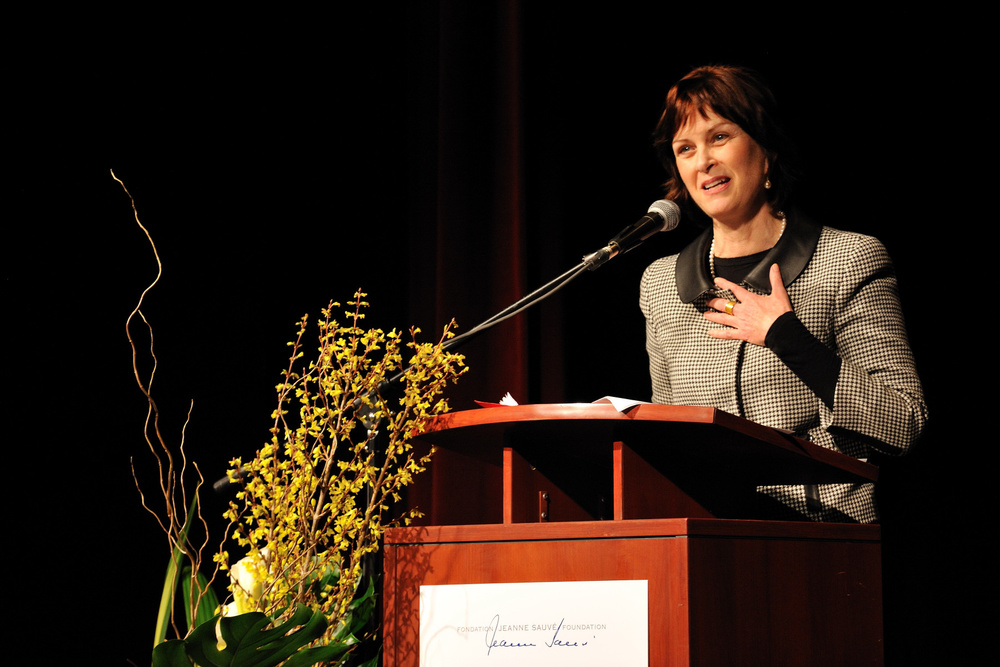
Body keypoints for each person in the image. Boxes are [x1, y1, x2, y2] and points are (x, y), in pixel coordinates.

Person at [640, 65, 927, 523]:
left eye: (719, 138)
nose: (702, 162)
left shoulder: (847, 259)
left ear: (766, 150)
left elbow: (904, 419)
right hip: (706, 541)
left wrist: (787, 337)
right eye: (685, 148)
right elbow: (673, 438)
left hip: (818, 542)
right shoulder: (661, 283)